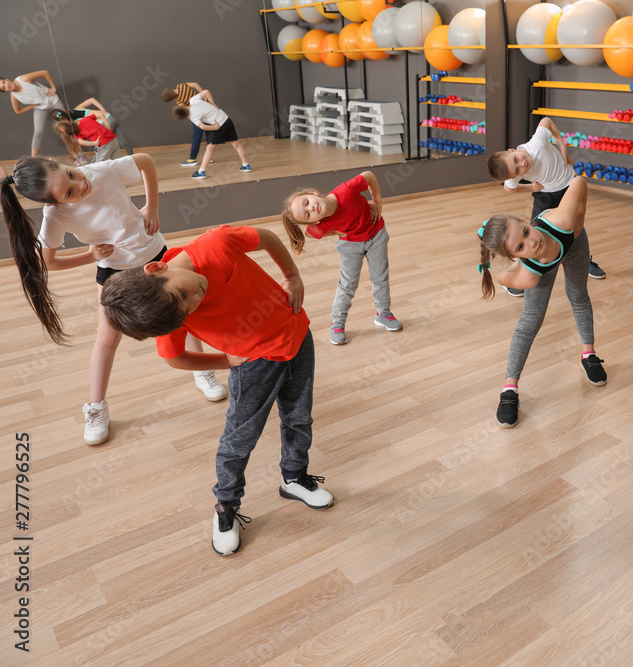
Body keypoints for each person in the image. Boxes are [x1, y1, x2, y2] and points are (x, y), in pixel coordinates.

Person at [100, 225, 333, 556]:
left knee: (299, 416)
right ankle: (226, 505)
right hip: (252, 365)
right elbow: (173, 357)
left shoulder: (216, 243)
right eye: (187, 308)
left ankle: (294, 478)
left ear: (157, 268)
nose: (196, 299)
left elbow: (265, 237)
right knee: (239, 440)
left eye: (183, 294)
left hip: (297, 333)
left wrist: (292, 275)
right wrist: (225, 361)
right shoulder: (170, 312)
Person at [0, 155, 228, 446]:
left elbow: (146, 161)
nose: (79, 184)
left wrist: (152, 205)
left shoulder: (101, 171)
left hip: (157, 255)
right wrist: (90, 257)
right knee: (107, 339)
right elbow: (49, 262)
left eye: (71, 174)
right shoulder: (56, 216)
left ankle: (202, 370)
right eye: (68, 192)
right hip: (115, 272)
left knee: (184, 315)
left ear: (59, 162)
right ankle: (96, 407)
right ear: (53, 203)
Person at [478, 174, 606, 428]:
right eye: (521, 247)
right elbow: (504, 277)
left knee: (578, 295)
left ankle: (588, 354)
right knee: (530, 321)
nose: (532, 242)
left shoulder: (563, 219)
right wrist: (510, 272)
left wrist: (580, 217)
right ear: (515, 256)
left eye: (526, 232)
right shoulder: (529, 274)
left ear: (527, 222)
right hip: (541, 267)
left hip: (573, 240)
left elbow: (579, 181)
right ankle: (509, 390)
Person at [486, 116, 606, 297]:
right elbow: (509, 188)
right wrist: (532, 187)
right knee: (529, 233)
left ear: (513, 150)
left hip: (569, 186)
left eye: (516, 159)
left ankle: (583, 261)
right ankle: (520, 270)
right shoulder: (513, 173)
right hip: (546, 196)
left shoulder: (536, 144)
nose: (522, 165)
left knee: (574, 228)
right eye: (517, 170)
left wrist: (560, 143)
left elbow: (546, 120)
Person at [281, 171, 401, 345]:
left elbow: (369, 176)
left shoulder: (346, 190)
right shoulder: (320, 225)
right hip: (350, 245)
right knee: (348, 284)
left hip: (376, 236)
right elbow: (310, 233)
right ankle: (337, 323)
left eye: (307, 202)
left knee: (380, 278)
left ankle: (383, 313)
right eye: (307, 214)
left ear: (312, 193)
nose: (311, 208)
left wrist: (377, 202)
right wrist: (335, 232)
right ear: (314, 221)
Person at [172, 88, 251, 179]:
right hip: (226, 119)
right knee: (236, 144)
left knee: (209, 148)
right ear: (182, 106)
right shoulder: (193, 100)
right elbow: (206, 91)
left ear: (185, 117)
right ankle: (246, 165)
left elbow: (204, 127)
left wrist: (215, 127)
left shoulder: (192, 117)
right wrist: (212, 103)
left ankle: (201, 172)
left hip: (218, 125)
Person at [1, 70, 63, 157]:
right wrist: (32, 106)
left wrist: (53, 87)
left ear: (6, 79)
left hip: (53, 101)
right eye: (4, 87)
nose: (6, 85)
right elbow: (17, 111)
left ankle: (77, 154)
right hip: (40, 107)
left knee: (64, 125)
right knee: (38, 132)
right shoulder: (14, 96)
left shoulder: (23, 79)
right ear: (5, 91)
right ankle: (33, 160)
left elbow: (44, 72)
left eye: (4, 82)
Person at [52, 98, 134, 160]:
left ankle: (93, 167)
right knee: (125, 143)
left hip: (105, 124)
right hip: (110, 117)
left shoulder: (77, 124)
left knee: (101, 149)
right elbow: (92, 100)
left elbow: (81, 140)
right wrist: (103, 111)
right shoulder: (77, 109)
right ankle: (134, 162)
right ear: (64, 111)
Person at [161, 81, 207, 167]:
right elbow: (195, 84)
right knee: (209, 132)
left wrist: (192, 107)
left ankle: (192, 158)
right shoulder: (181, 86)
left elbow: (186, 109)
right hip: (204, 107)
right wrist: (202, 95)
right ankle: (208, 158)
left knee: (197, 135)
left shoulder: (178, 100)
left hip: (197, 115)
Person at [52, 108, 122, 164]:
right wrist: (107, 125)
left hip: (104, 145)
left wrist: (94, 143)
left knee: (98, 166)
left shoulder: (77, 136)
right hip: (114, 139)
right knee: (115, 163)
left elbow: (81, 142)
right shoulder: (85, 119)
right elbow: (100, 114)